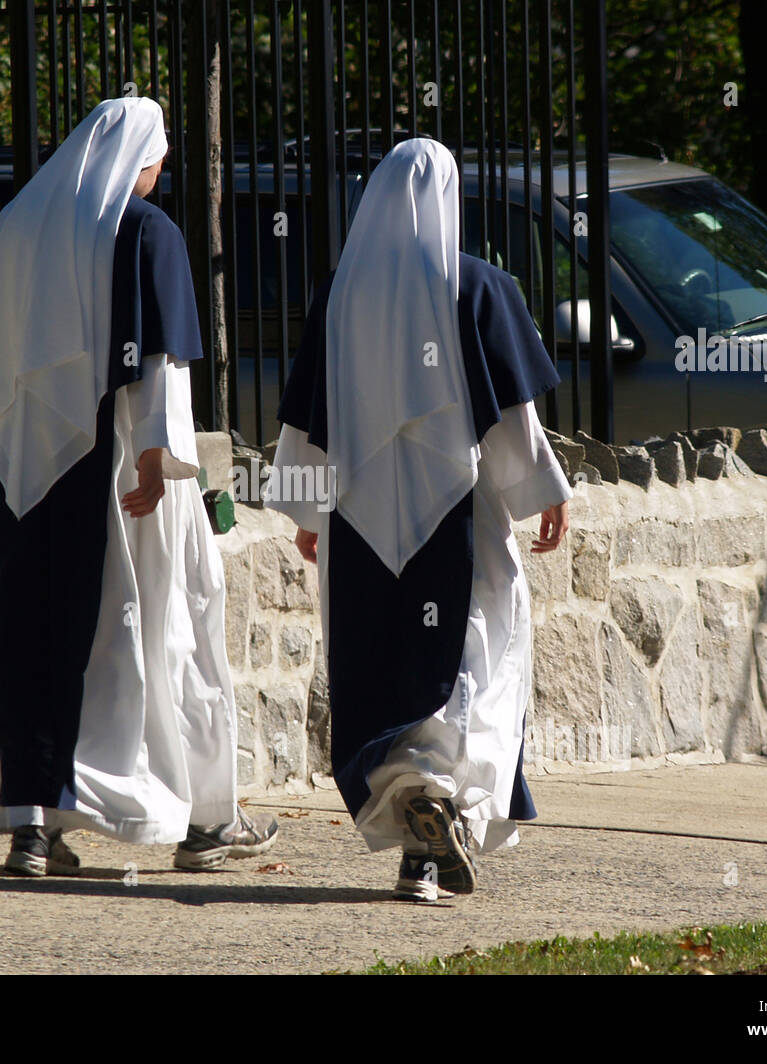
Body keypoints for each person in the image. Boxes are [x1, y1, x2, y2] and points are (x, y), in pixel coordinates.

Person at [0, 97, 277, 876]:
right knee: (170, 636)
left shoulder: (16, 229)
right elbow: (162, 366)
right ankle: (205, 821)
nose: (161, 173)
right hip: (125, 476)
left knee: (28, 640)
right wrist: (158, 463)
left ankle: (34, 824)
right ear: (143, 158)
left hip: (25, 480)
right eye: (160, 159)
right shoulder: (146, 232)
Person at [266, 138, 570, 902]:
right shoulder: (480, 287)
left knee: (382, 668)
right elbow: (512, 418)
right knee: (476, 662)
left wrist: (308, 509)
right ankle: (443, 806)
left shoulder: (342, 293)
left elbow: (309, 417)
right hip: (460, 519)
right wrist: (546, 491)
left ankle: (419, 839)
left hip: (357, 524)